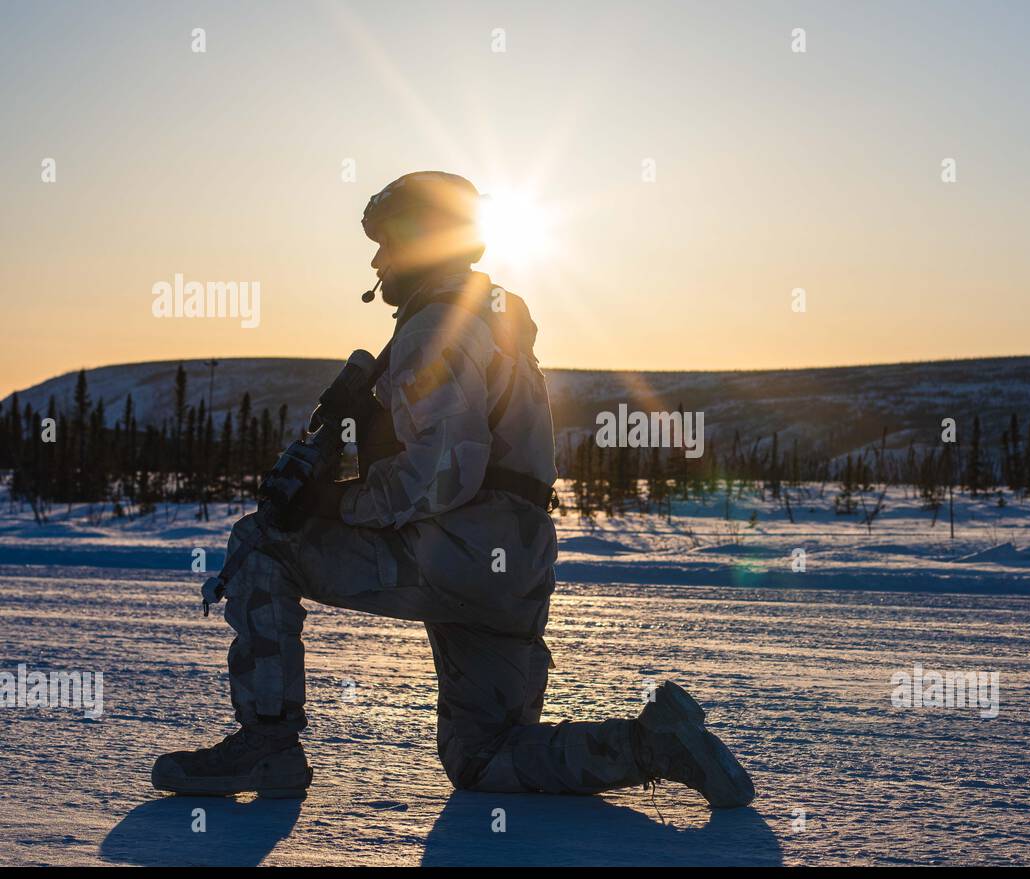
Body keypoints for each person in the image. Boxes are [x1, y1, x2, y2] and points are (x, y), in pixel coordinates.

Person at [152, 171, 754, 808]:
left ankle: (267, 744)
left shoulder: (430, 331)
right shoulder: (493, 321)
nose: (378, 261)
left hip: (455, 552)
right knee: (482, 755)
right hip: (512, 565)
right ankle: (654, 745)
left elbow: (441, 474)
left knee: (261, 544)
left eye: (387, 243)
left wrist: (336, 501)